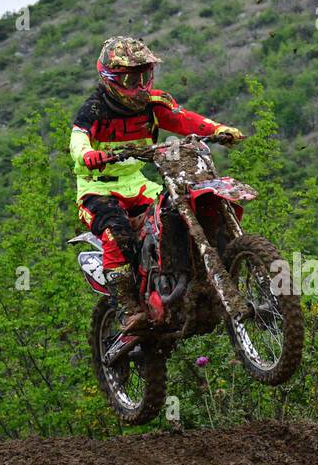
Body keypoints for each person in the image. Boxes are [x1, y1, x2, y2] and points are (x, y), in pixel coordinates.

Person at [70, 36, 245, 331]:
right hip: (97, 188)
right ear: (111, 78)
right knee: (117, 233)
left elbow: (183, 119)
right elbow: (78, 139)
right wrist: (87, 155)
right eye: (130, 78)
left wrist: (218, 129)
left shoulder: (154, 104)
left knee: (175, 210)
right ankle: (128, 308)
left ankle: (184, 274)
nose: (139, 85)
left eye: (144, 76)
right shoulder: (94, 109)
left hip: (137, 184)